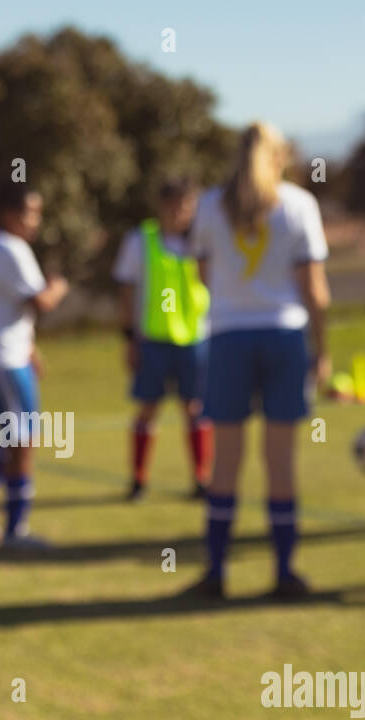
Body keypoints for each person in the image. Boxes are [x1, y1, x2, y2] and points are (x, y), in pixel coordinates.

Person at [186, 122, 331, 599]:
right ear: (280, 157)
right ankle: (285, 572)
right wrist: (322, 349)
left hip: (227, 338)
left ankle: (216, 573)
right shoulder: (300, 205)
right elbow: (314, 290)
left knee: (225, 463)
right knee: (280, 463)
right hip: (285, 337)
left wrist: (235, 298)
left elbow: (203, 274)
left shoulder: (209, 204)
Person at [0, 180, 69, 548]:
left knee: (15, 433)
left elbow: (4, 307)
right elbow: (41, 301)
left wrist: (31, 348)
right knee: (23, 435)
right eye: (29, 213)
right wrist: (58, 286)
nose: (35, 221)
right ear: (7, 214)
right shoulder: (10, 247)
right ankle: (14, 528)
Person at [113, 177, 212, 500]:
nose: (180, 213)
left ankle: (201, 478)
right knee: (147, 409)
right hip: (153, 340)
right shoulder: (141, 240)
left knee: (195, 409)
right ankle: (138, 479)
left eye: (187, 207)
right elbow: (126, 290)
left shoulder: (202, 242)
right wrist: (129, 338)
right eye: (174, 206)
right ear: (161, 207)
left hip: (195, 339)